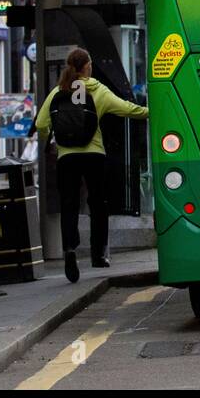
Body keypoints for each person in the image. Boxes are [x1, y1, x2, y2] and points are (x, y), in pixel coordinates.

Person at [35, 48, 148, 283]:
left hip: (67, 157)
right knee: (98, 204)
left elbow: (41, 123)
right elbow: (128, 109)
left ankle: (70, 249)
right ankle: (98, 255)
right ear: (88, 66)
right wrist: (152, 112)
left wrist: (53, 141)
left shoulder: (59, 90)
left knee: (69, 204)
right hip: (94, 154)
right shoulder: (98, 90)